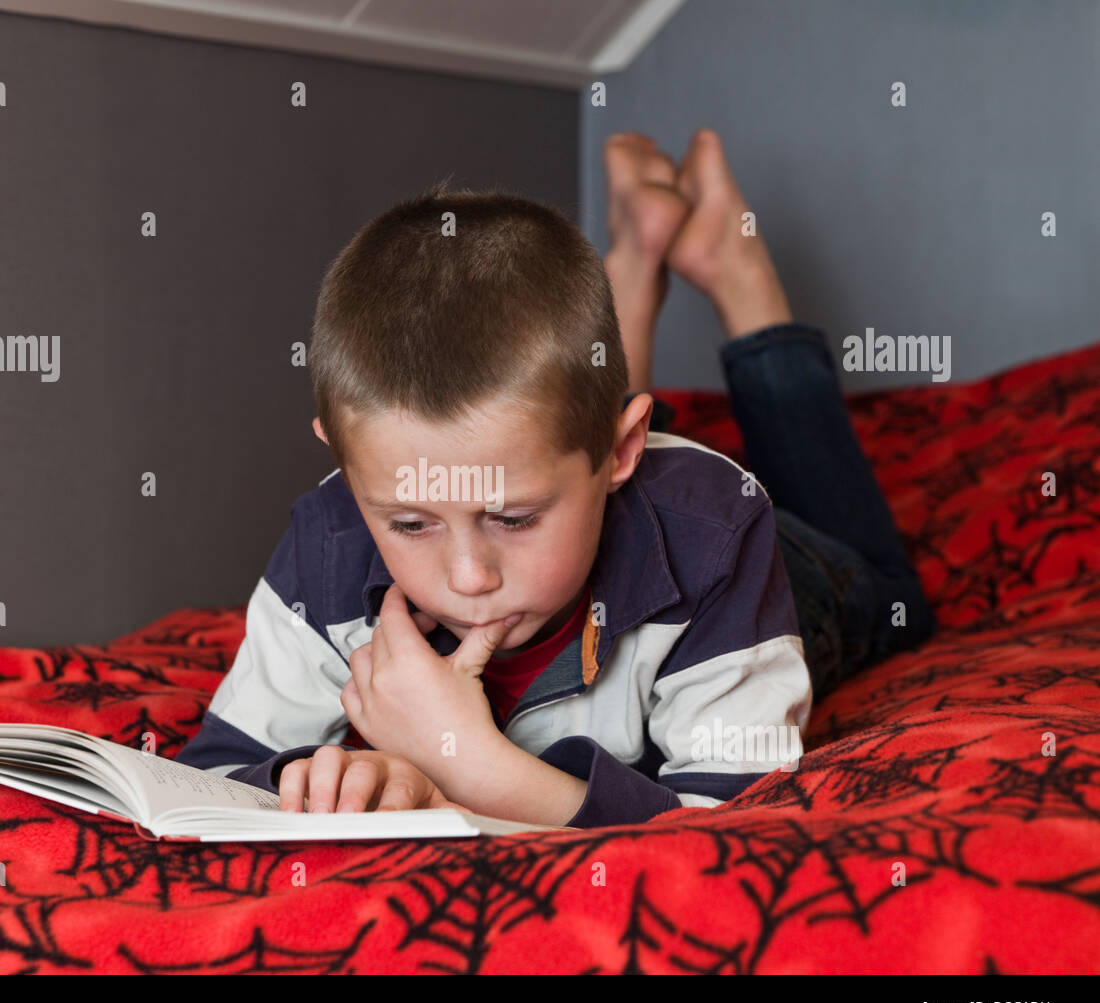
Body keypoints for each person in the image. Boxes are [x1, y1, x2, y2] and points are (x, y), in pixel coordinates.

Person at [173, 128, 937, 829]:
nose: (469, 577)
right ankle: (635, 259)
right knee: (565, 425)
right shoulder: (329, 539)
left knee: (896, 598)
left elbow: (730, 829)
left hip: (765, 564)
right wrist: (338, 777)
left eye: (512, 519)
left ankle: (738, 271)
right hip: (600, 464)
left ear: (624, 448)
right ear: (344, 465)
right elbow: (213, 774)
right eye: (410, 522)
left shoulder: (720, 538)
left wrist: (465, 763)